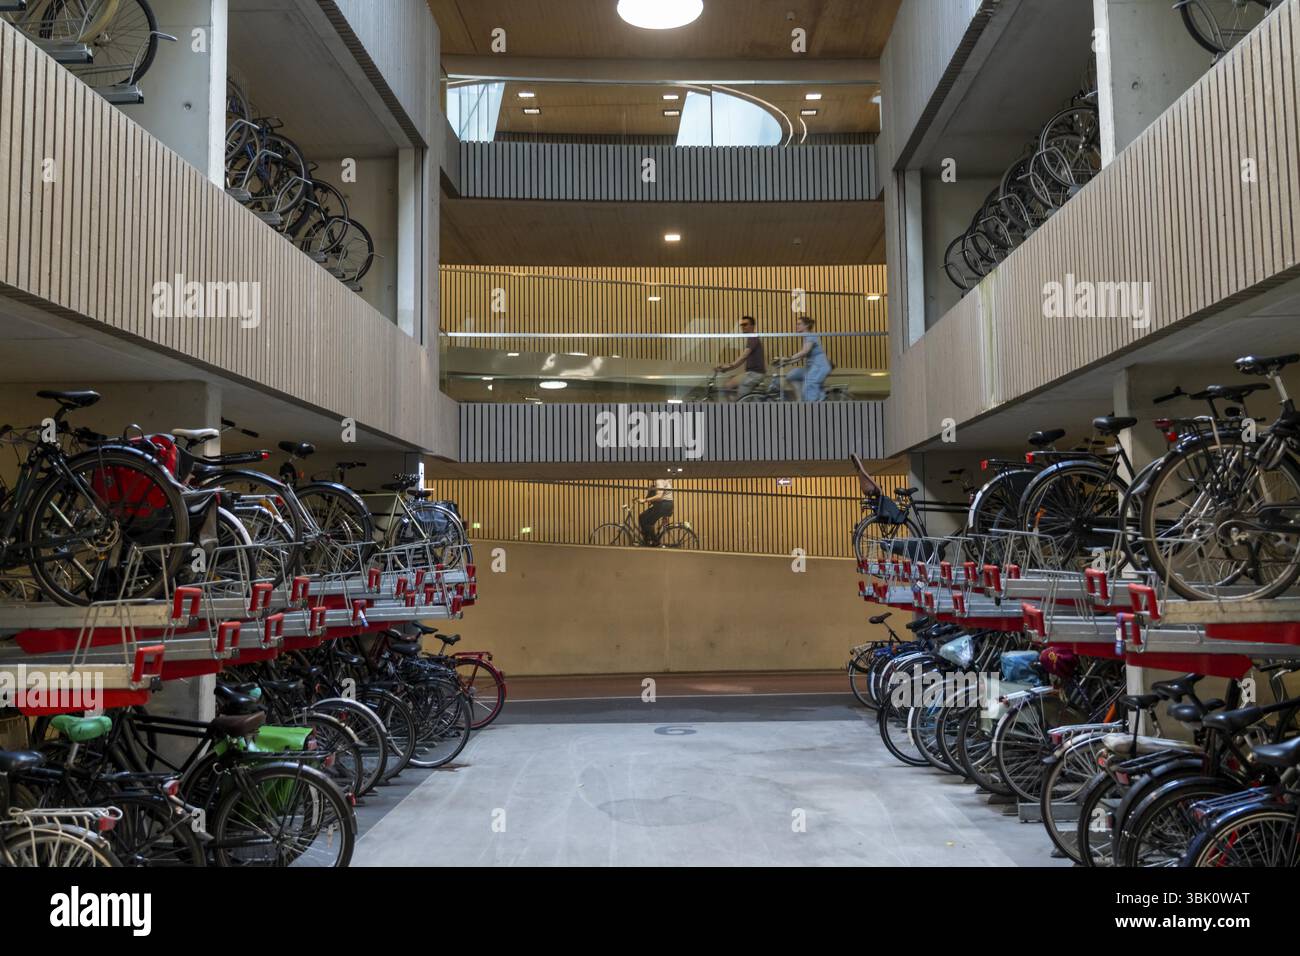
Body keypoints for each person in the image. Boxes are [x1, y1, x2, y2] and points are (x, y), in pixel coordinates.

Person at [776, 316, 833, 401]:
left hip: (819, 367)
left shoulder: (810, 336)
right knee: (792, 375)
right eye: (796, 324)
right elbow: (802, 356)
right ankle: (801, 399)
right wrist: (785, 363)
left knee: (809, 386)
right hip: (811, 368)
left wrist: (788, 358)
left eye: (799, 324)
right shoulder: (806, 337)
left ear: (806, 326)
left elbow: (804, 351)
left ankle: (812, 404)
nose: (796, 326)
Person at [713, 315, 766, 400]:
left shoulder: (753, 338)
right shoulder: (751, 338)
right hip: (751, 373)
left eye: (745, 324)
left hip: (754, 374)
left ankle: (738, 408)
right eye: (742, 325)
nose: (743, 327)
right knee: (728, 385)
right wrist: (727, 368)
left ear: (752, 326)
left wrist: (728, 367)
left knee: (739, 397)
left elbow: (743, 356)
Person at [638, 478, 674, 546]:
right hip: (666, 504)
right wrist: (665, 515)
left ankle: (654, 542)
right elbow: (666, 495)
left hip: (663, 504)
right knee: (645, 519)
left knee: (645, 519)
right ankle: (649, 540)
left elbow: (659, 496)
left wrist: (645, 500)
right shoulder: (664, 480)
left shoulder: (659, 480)